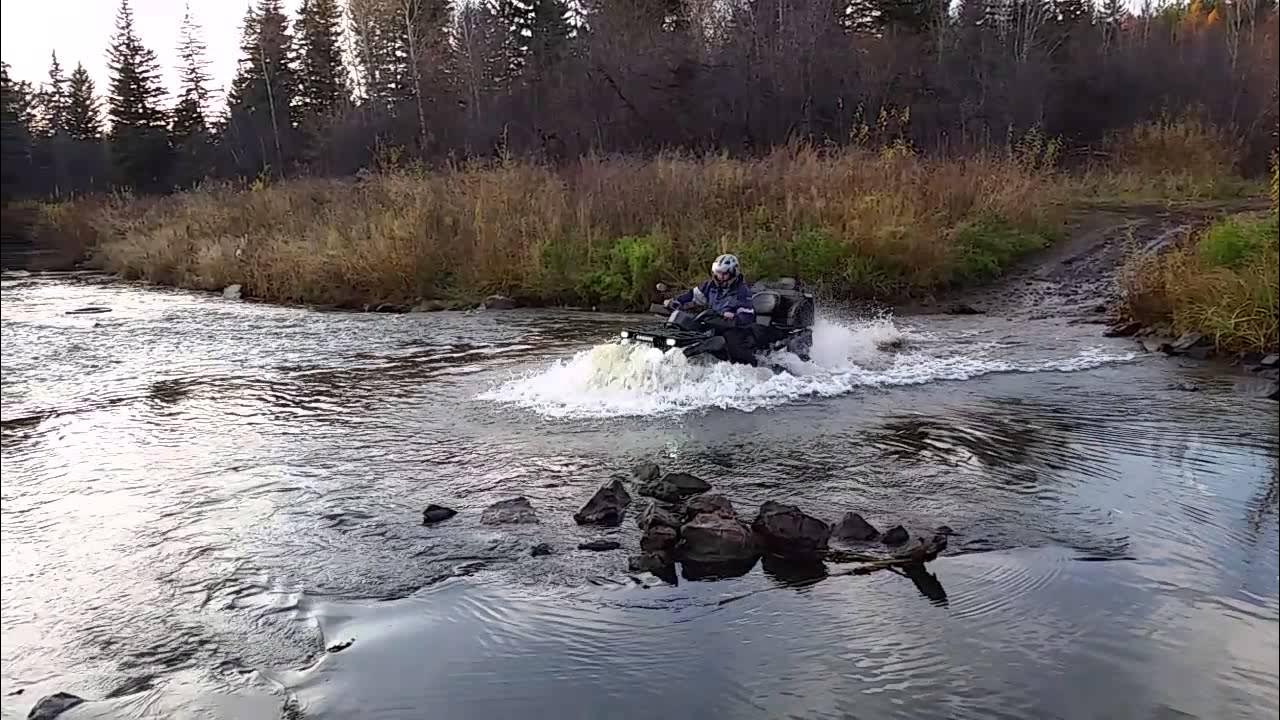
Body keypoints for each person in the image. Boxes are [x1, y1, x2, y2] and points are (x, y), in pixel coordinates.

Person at [665, 254, 757, 364]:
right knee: (686, 329)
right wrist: (676, 301)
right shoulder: (710, 285)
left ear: (733, 272)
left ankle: (746, 366)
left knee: (732, 344)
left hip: (733, 327)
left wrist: (734, 316)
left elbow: (747, 315)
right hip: (713, 322)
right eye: (718, 272)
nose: (720, 276)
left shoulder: (742, 291)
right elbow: (691, 295)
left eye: (724, 274)